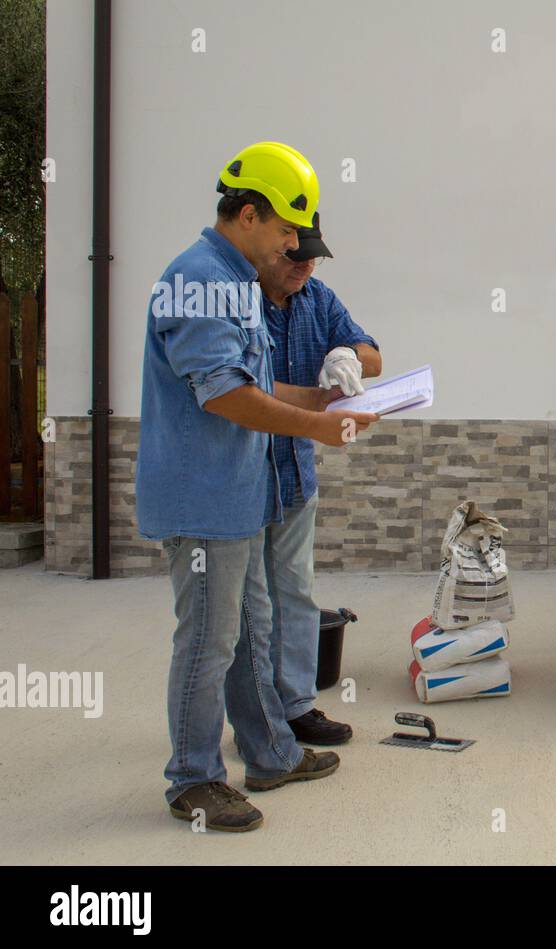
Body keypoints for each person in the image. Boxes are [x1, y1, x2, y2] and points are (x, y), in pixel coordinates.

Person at [136, 141, 378, 832]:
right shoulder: (199, 280)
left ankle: (270, 753)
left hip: (235, 496)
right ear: (248, 216)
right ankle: (193, 778)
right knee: (209, 641)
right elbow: (222, 395)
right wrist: (320, 428)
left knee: (249, 632)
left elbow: (260, 386)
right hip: (201, 499)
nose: (292, 247)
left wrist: (327, 407)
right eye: (285, 233)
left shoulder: (235, 279)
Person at [257, 212, 381, 745]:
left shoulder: (318, 299)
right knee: (249, 606)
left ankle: (297, 707)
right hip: (244, 475)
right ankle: (256, 718)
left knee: (296, 593)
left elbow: (374, 355)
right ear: (268, 245)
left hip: (295, 476)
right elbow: (244, 386)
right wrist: (315, 401)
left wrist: (346, 353)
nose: (305, 264)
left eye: (313, 255)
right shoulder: (241, 301)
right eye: (294, 254)